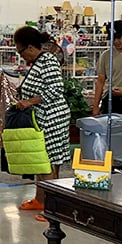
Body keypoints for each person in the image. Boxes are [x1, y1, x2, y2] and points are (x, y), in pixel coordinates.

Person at [13, 26, 70, 222]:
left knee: (48, 162)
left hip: (52, 118)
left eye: (20, 51)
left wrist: (30, 101)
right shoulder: (38, 62)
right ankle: (40, 199)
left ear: (30, 47)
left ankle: (52, 208)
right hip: (41, 117)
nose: (21, 56)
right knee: (40, 160)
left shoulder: (48, 61)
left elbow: (56, 89)